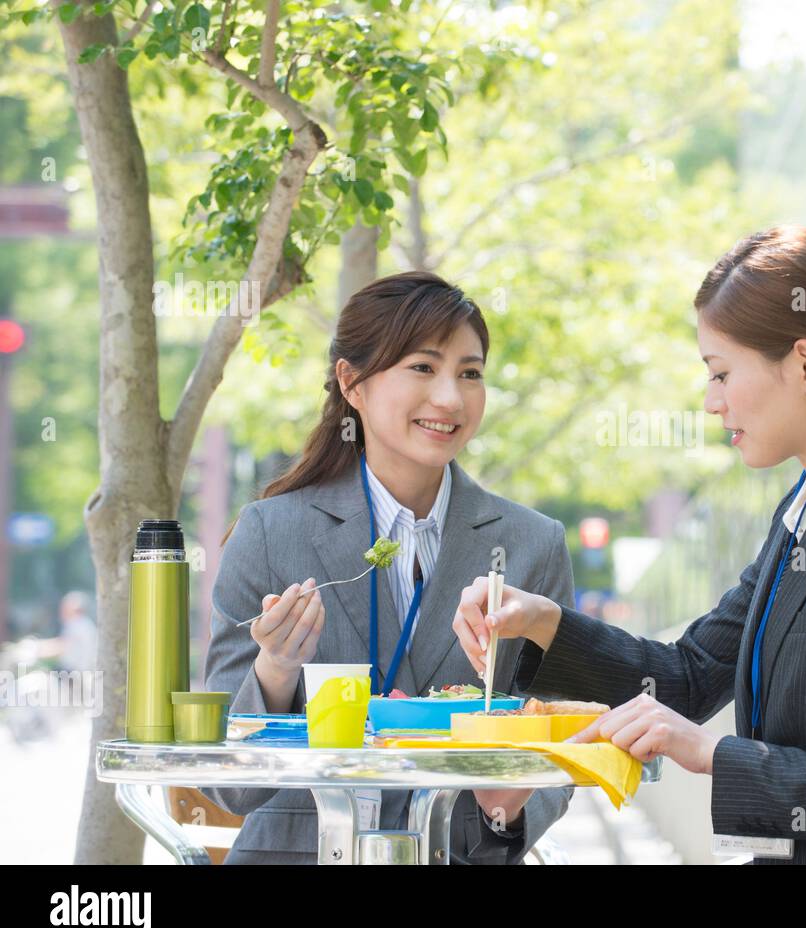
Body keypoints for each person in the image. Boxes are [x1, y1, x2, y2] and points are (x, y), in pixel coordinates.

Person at [453, 226, 806, 864]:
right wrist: (541, 622)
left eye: (720, 374)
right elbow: (688, 677)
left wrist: (715, 754)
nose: (712, 402)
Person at [203, 272, 575, 864]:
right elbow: (227, 783)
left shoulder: (533, 545)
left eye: (470, 373)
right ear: (353, 384)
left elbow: (555, 745)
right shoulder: (270, 533)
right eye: (423, 368)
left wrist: (500, 811)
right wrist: (274, 671)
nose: (450, 398)